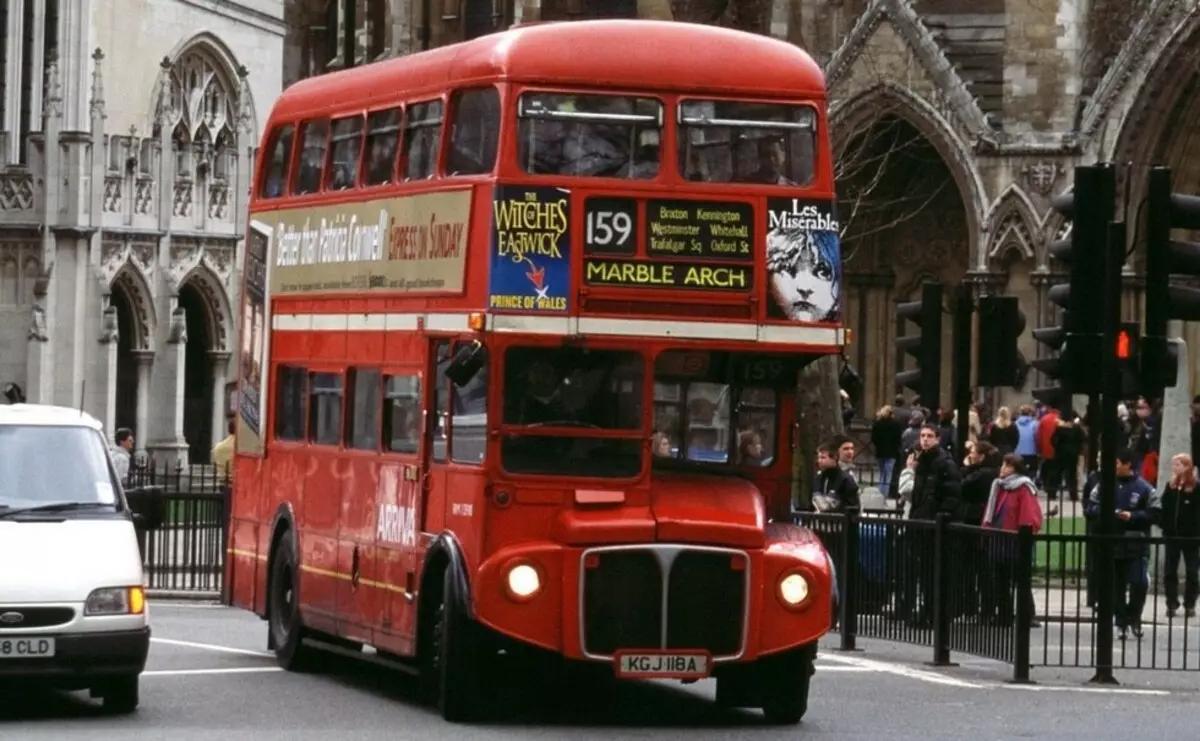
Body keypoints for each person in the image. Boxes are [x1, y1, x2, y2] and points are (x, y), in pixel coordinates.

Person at [1084, 448, 1161, 639]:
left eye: (1116, 463)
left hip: (1136, 543)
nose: (1112, 467)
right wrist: (1107, 513)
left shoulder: (1144, 488)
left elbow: (1156, 512)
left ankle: (1133, 616)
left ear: (1127, 465)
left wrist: (1133, 516)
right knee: (1115, 586)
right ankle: (1120, 622)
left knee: (1139, 582)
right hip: (1112, 543)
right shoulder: (1103, 485)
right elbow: (1090, 507)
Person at [980, 454, 1043, 625]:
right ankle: (1004, 613)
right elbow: (991, 511)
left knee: (1020, 579)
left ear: (1015, 469)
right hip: (999, 537)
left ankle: (1027, 614)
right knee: (1000, 579)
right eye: (1003, 465)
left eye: (1007, 466)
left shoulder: (1023, 488)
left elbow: (1029, 515)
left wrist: (1024, 535)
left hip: (1015, 540)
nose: (1002, 469)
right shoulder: (999, 486)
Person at [1161, 453, 1200, 619]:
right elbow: (1164, 508)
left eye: (1178, 465)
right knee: (1170, 571)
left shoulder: (1196, 488)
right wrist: (1165, 525)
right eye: (1174, 465)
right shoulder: (1170, 487)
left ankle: (1190, 603)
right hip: (1172, 536)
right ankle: (1171, 602)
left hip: (1191, 537)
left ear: (1187, 467)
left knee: (1192, 571)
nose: (1175, 468)